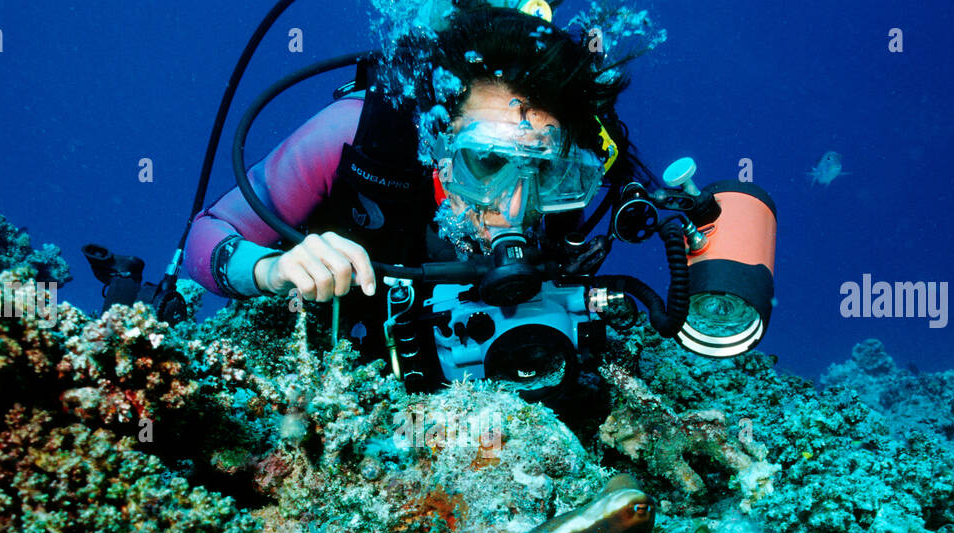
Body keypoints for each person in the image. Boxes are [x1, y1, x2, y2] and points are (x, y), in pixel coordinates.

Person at [186, 0, 647, 363]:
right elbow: (206, 238)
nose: (513, 208)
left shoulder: (570, 166)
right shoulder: (349, 135)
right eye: (486, 161)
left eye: (545, 171)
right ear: (439, 138)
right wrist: (272, 270)